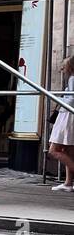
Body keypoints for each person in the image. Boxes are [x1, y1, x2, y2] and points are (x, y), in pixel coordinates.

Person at [49, 54, 74, 193]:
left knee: (54, 150)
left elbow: (71, 100)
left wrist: (59, 100)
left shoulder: (72, 78)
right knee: (69, 152)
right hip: (68, 115)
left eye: (65, 65)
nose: (62, 68)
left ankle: (69, 183)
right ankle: (68, 183)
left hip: (67, 115)